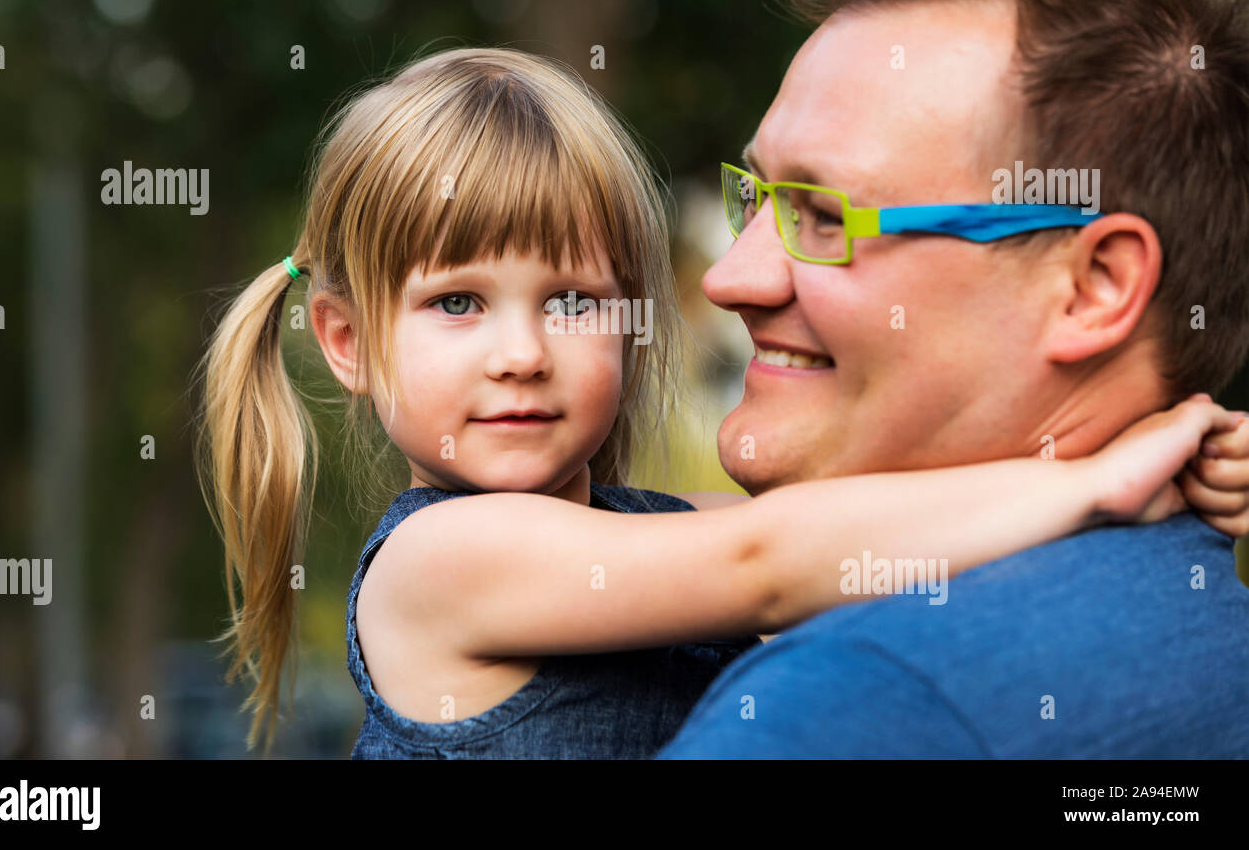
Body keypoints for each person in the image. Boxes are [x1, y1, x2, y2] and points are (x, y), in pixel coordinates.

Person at [194, 45, 1246, 758]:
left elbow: (850, 537)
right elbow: (774, 560)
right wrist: (1086, 478)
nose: (520, 354)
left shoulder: (644, 532)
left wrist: (1149, 462)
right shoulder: (439, 565)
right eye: (457, 302)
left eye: (570, 300)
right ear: (346, 340)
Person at [658, 0, 1249, 758]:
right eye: (759, 199)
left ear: (1093, 288)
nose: (732, 279)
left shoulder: (857, 701)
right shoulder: (1199, 621)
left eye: (824, 216)